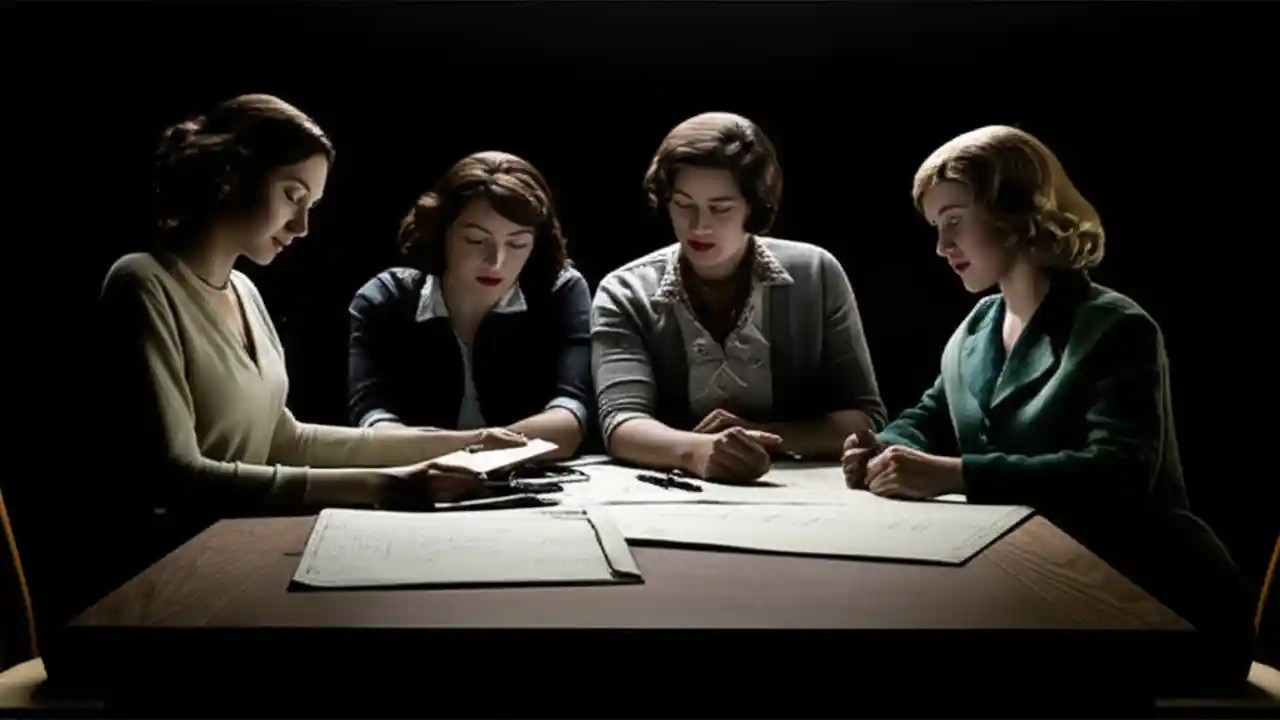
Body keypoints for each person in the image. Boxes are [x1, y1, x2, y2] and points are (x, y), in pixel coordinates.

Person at [842, 124, 1255, 691]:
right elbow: (931, 414)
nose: (942, 247)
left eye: (955, 221)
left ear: (1016, 211)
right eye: (938, 228)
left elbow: (1118, 472)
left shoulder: (1116, 327)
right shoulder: (977, 327)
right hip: (1038, 583)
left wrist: (955, 474)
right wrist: (884, 449)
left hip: (1155, 601)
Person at [94, 94, 525, 549]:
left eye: (311, 206)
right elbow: (177, 476)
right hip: (175, 561)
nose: (301, 226)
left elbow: (286, 438)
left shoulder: (243, 290)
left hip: (244, 540)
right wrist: (386, 484)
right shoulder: (142, 282)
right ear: (229, 175)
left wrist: (467, 444)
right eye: (292, 195)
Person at [592, 111, 887, 482]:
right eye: (684, 204)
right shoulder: (624, 291)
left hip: (798, 492)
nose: (700, 225)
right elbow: (622, 423)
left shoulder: (816, 273)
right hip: (675, 493)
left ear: (755, 205)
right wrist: (697, 452)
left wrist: (765, 437)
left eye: (721, 208)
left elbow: (864, 417)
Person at [347, 151, 592, 459]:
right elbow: (374, 424)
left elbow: (568, 421)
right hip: (419, 482)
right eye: (475, 240)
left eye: (517, 244)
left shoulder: (560, 292)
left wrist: (463, 450)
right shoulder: (383, 300)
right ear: (441, 231)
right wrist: (471, 449)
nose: (496, 261)